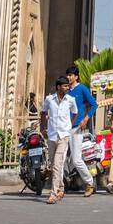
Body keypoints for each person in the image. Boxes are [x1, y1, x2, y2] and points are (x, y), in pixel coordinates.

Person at [41, 75, 77, 203]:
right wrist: (43, 127)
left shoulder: (70, 100)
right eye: (65, 86)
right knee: (53, 164)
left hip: (63, 136)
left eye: (68, 85)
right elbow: (43, 112)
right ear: (58, 87)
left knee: (57, 164)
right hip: (51, 135)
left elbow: (75, 113)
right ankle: (61, 188)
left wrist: (70, 125)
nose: (67, 87)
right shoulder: (49, 99)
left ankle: (53, 193)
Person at [65, 64, 96, 197]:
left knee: (77, 159)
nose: (68, 77)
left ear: (76, 77)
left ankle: (90, 183)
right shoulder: (65, 90)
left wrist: (86, 118)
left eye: (70, 75)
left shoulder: (82, 89)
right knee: (60, 159)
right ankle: (60, 186)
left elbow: (94, 104)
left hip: (77, 127)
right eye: (67, 75)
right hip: (64, 128)